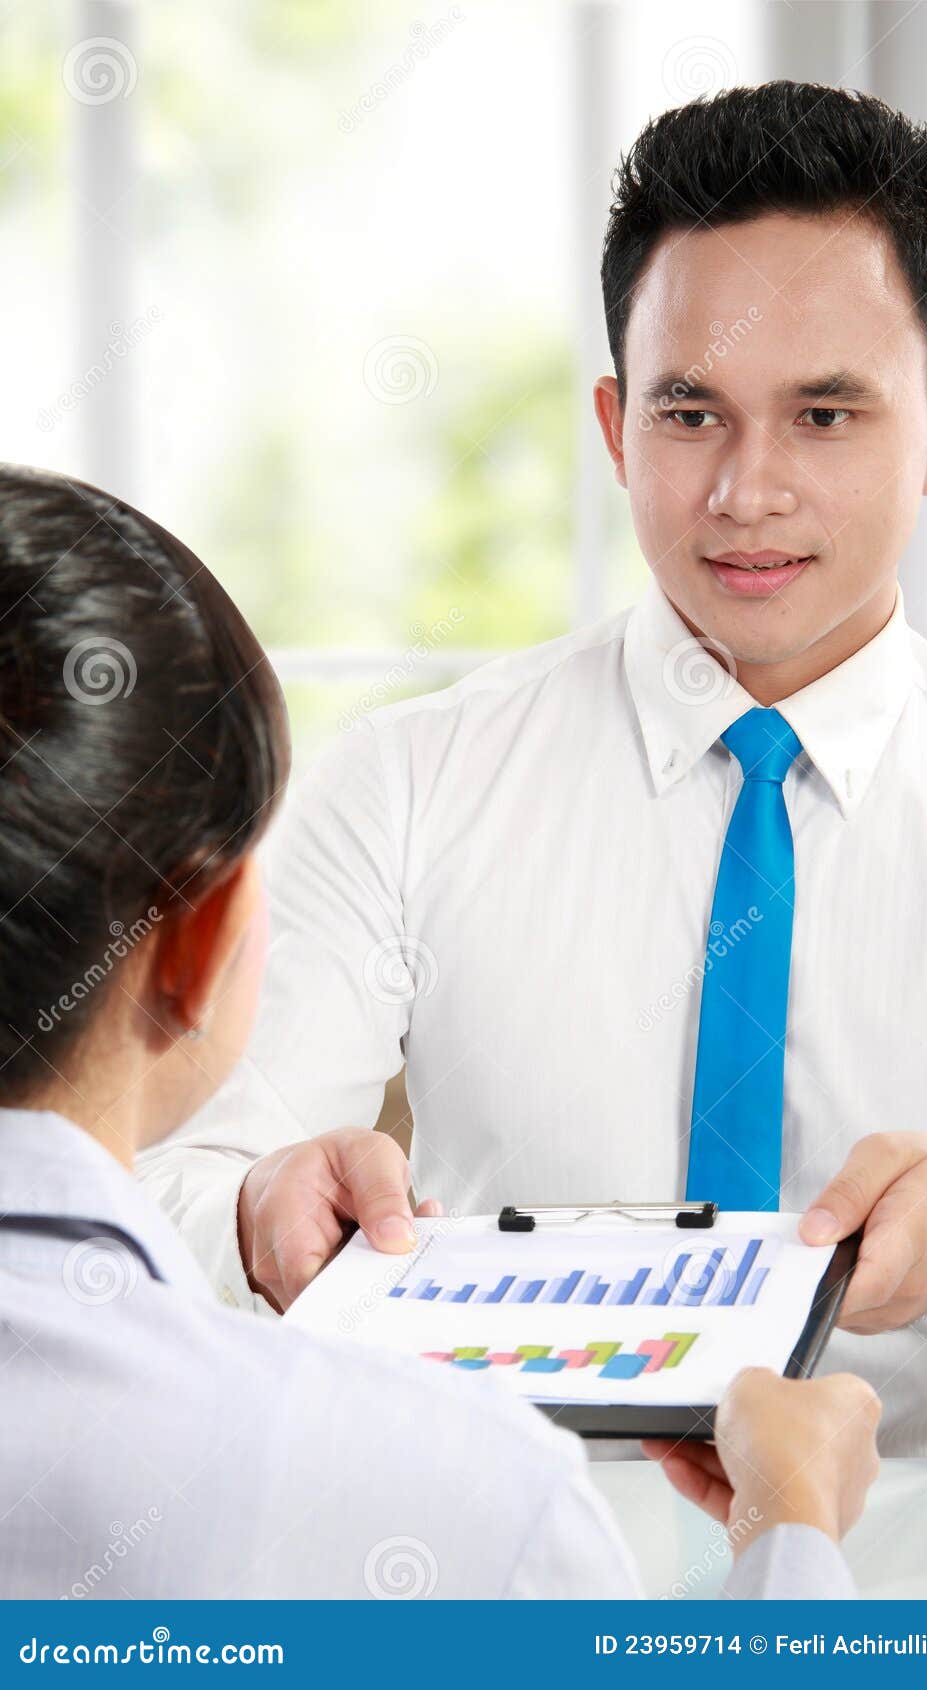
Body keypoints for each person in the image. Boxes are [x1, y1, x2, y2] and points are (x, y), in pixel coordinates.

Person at [140, 80, 927, 1455]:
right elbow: (163, 1193)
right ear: (612, 426)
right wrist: (252, 1215)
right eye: (689, 413)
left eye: (824, 416)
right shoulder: (408, 783)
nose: (745, 490)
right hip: (498, 1566)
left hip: (908, 1597)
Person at [0, 463, 880, 1600]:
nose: (751, 489)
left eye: (820, 423)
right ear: (195, 941)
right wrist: (791, 1530)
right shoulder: (460, 1498)